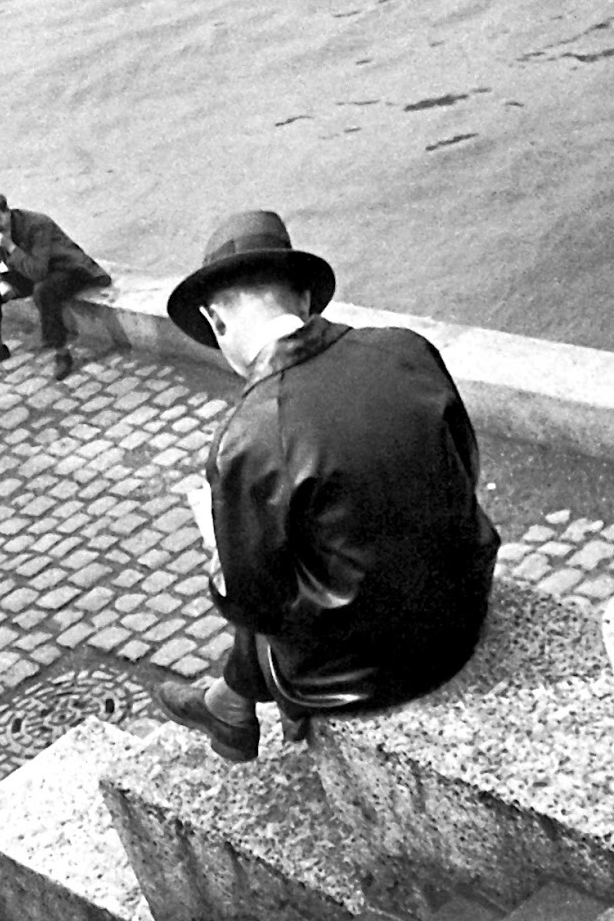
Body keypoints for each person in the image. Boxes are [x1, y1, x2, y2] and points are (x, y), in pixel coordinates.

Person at [153, 210, 500, 762]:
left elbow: (254, 605)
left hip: (362, 674)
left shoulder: (249, 433)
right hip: (462, 614)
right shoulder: (406, 348)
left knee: (270, 561)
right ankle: (228, 704)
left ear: (217, 324)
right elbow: (465, 468)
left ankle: (236, 706)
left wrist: (217, 545)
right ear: (307, 302)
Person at [0, 193, 112, 382]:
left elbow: (39, 272)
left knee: (44, 291)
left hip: (68, 269)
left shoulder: (36, 224)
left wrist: (10, 247)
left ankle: (62, 352)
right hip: (31, 270)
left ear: (7, 212)